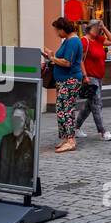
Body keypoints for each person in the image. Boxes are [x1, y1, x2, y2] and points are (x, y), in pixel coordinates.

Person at [43, 17, 84, 154]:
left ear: (62, 29)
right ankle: (66, 137)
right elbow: (62, 59)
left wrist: (51, 58)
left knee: (66, 110)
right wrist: (51, 56)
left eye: (57, 31)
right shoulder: (68, 41)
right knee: (61, 109)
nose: (56, 34)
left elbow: (67, 62)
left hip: (70, 80)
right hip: (63, 81)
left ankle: (71, 140)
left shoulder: (73, 41)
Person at [75, 19, 111, 141]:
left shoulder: (99, 40)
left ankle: (76, 128)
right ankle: (102, 131)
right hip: (90, 77)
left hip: (99, 77)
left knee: (89, 105)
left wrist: (104, 28)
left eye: (99, 28)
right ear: (90, 28)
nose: (98, 30)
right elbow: (80, 60)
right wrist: (85, 76)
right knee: (97, 104)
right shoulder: (84, 41)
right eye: (97, 28)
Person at [0, 100, 36, 188]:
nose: (16, 123)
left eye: (19, 120)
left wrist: (32, 140)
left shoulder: (30, 142)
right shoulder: (5, 140)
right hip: (4, 186)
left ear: (25, 123)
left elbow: (33, 172)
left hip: (23, 187)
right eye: (14, 119)